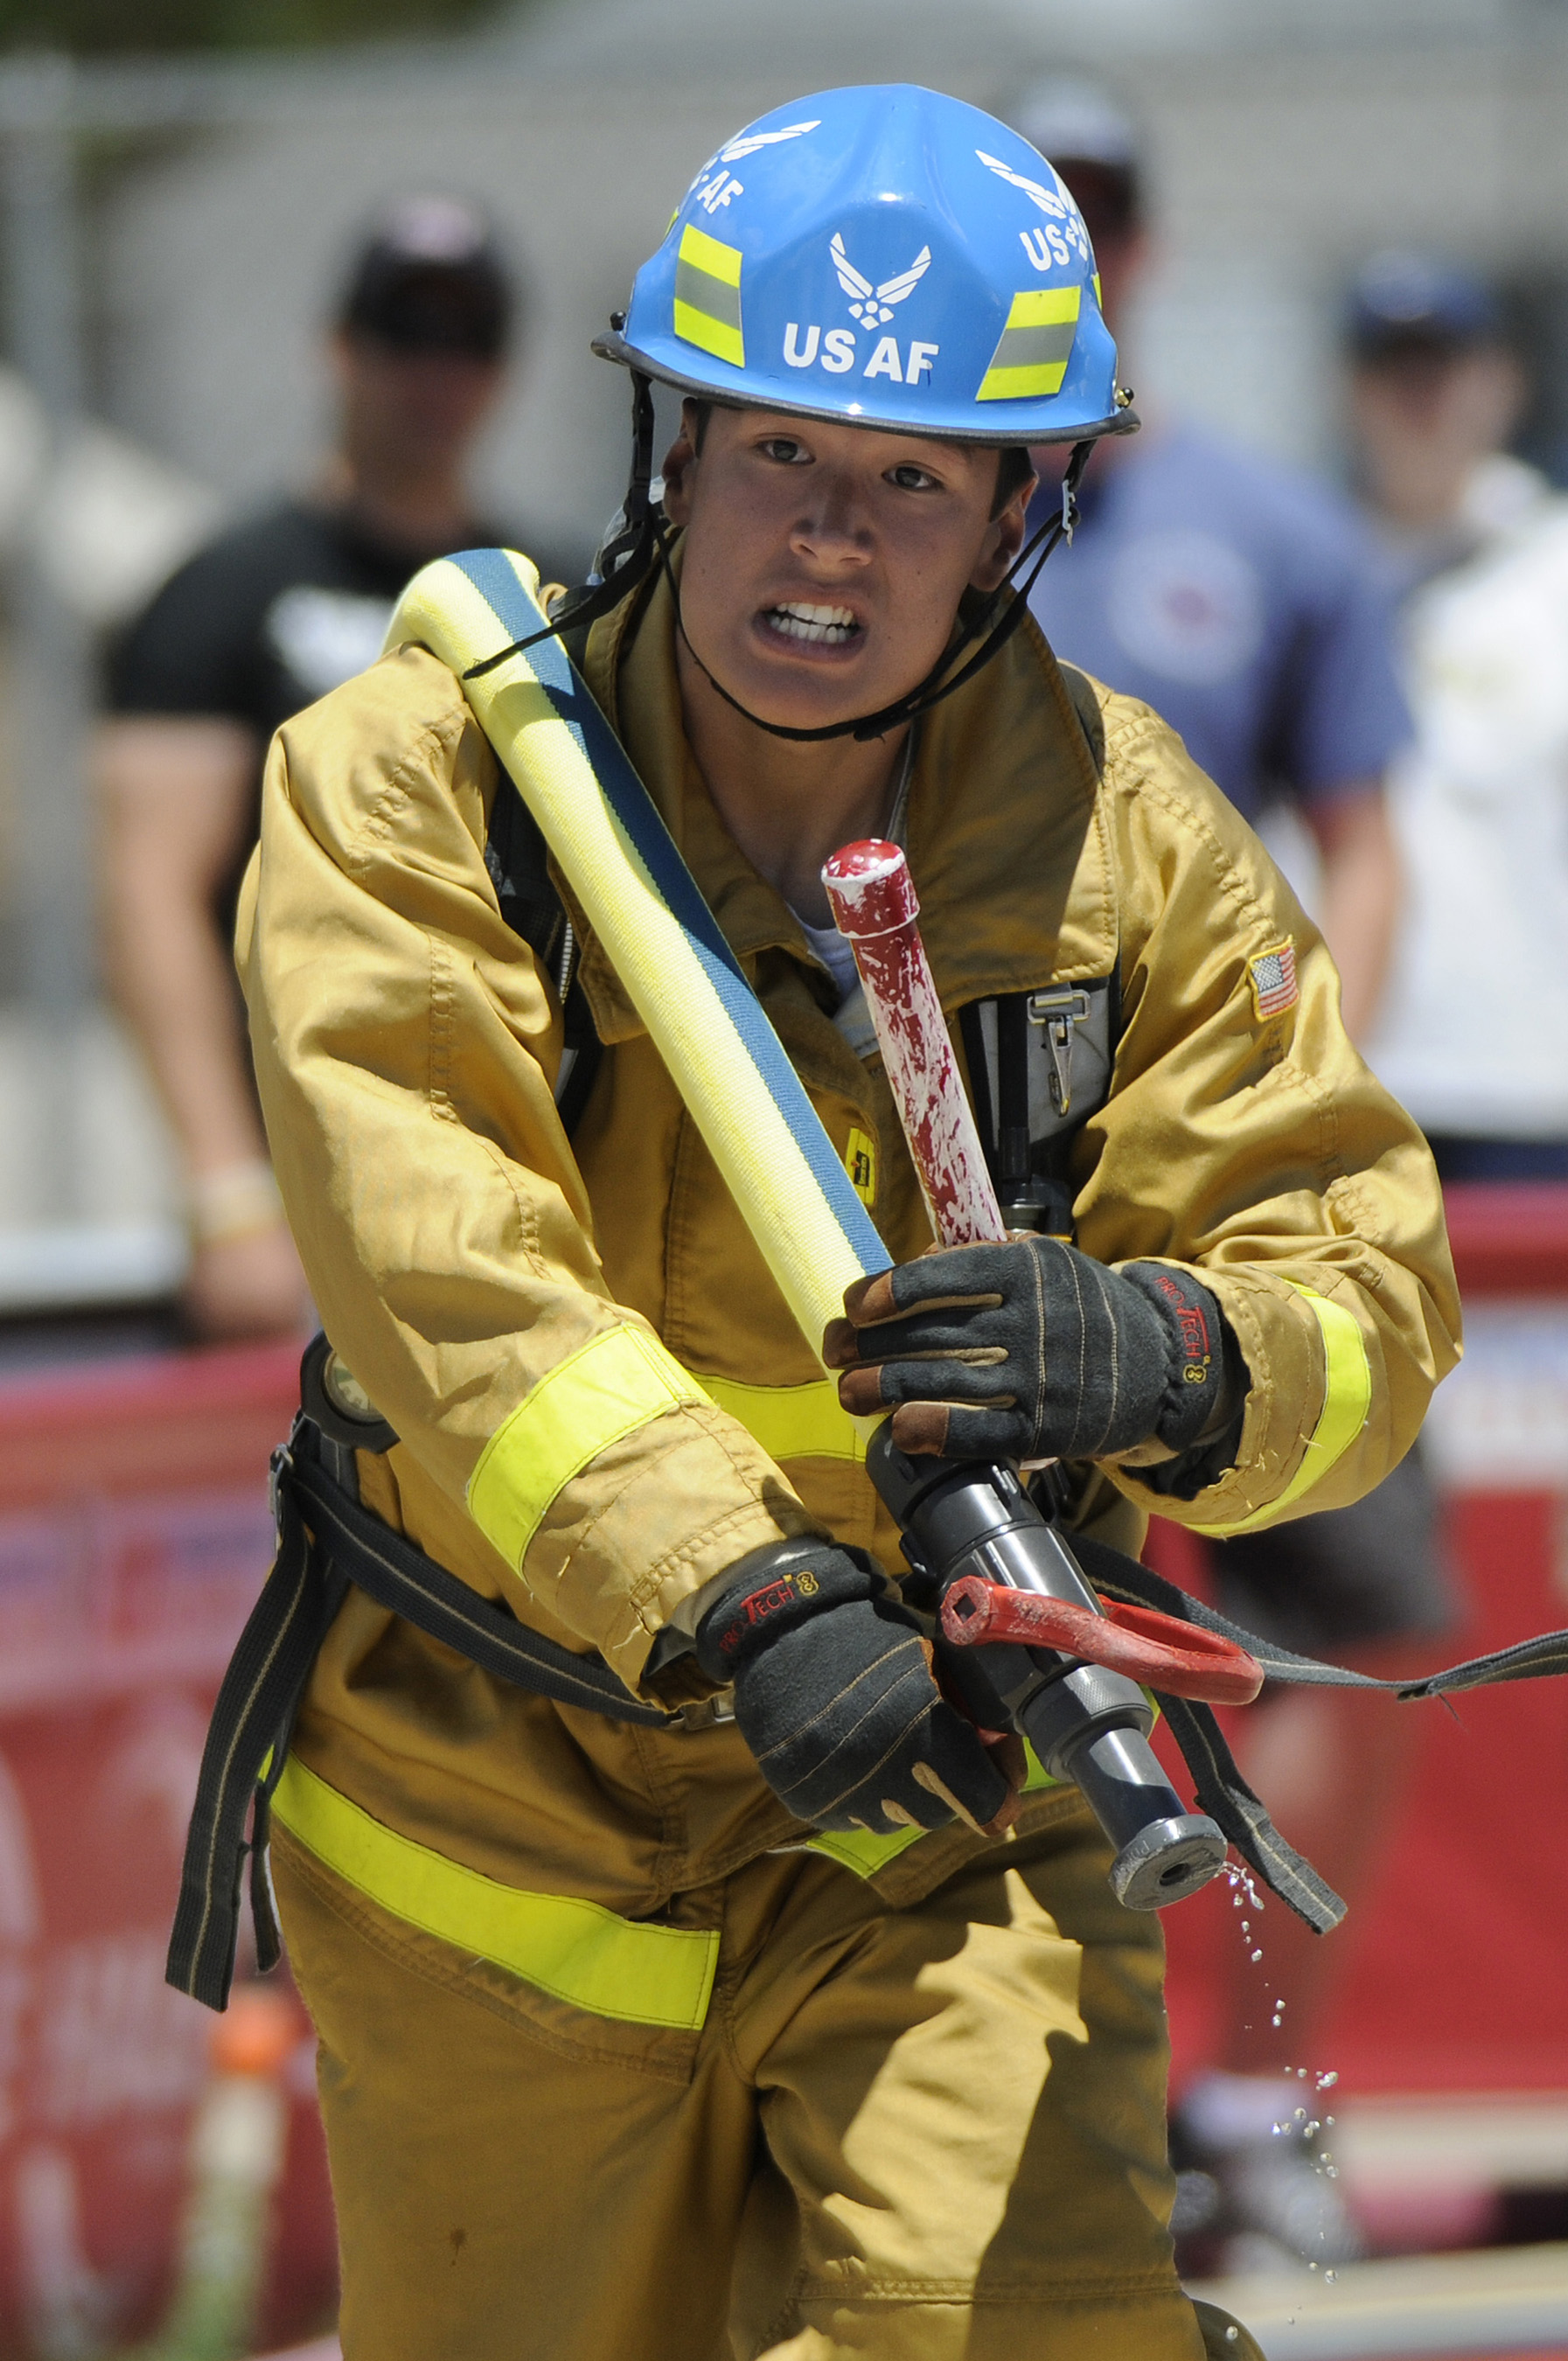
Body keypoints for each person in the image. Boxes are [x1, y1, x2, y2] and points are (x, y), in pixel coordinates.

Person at [224, 87, 1456, 2359]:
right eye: (778, 449)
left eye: (911, 478)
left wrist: (1178, 1355)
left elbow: (1358, 1272)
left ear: (1023, 508)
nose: (831, 536)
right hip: (500, 1814)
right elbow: (443, 1256)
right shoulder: (414, 784)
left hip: (946, 1788)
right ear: (670, 449)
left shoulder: (1125, 837)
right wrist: (742, 1588)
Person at [1007, 80, 1459, 2275]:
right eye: (1040, 212)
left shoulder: (1267, 534)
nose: (1075, 241)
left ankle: (1271, 2100)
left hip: (1234, 1189)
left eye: (1097, 213)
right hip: (984, 1195)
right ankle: (1036, 2099)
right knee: (1003, 1629)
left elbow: (1359, 831)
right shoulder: (927, 513)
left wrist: (1291, 1076)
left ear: (1143, 243)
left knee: (1343, 1625)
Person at [96, 195, 568, 1341]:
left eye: (466, 342)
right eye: (403, 331)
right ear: (339, 346)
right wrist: (225, 1192)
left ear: (501, 372)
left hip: (517, 1174)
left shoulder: (546, 598)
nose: (433, 374)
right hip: (301, 1173)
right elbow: (146, 895)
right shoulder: (221, 595)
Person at [1350, 251, 1568, 1182]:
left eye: (1443, 364)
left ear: (1502, 382)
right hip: (1360, 1075)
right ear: (1347, 391)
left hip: (1530, 1079)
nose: (1419, 396)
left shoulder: (1550, 570)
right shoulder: (1312, 569)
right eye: (1391, 368)